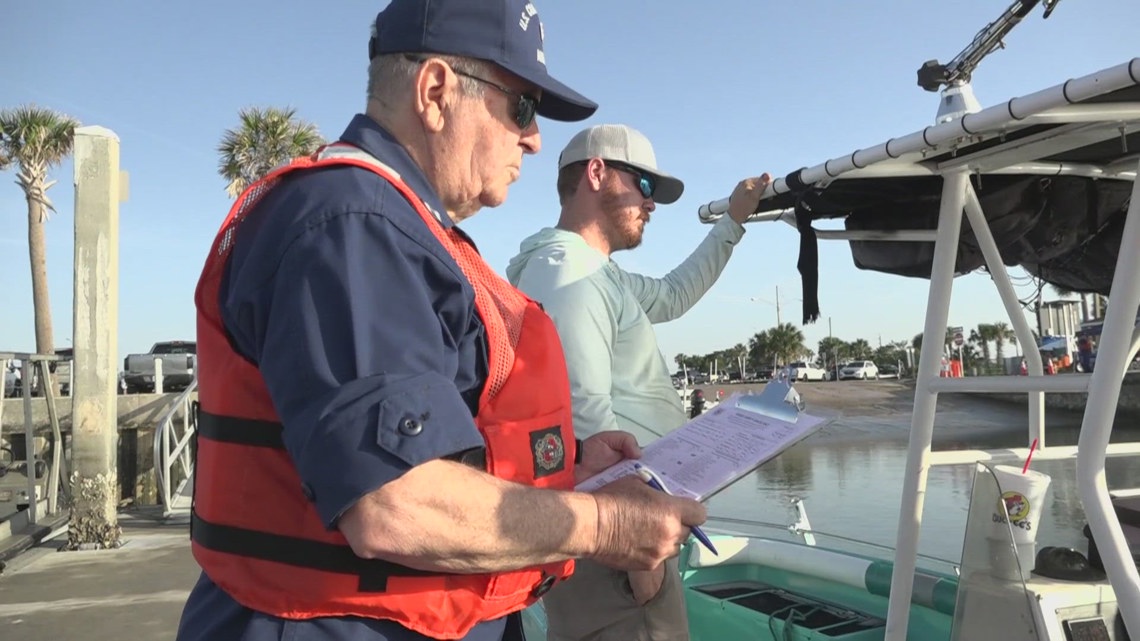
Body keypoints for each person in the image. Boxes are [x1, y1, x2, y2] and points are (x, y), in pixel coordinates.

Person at [175, 4, 707, 641]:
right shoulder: (353, 227)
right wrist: (606, 526)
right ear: (435, 92)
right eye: (522, 108)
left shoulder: (401, 227)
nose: (534, 139)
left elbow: (440, 441)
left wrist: (567, 464)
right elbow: (394, 503)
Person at [505, 124, 769, 641]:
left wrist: (733, 222)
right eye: (644, 187)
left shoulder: (598, 273)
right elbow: (583, 415)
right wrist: (638, 565)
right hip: (621, 547)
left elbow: (672, 294)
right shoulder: (570, 274)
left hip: (628, 531)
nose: (652, 204)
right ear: (597, 173)